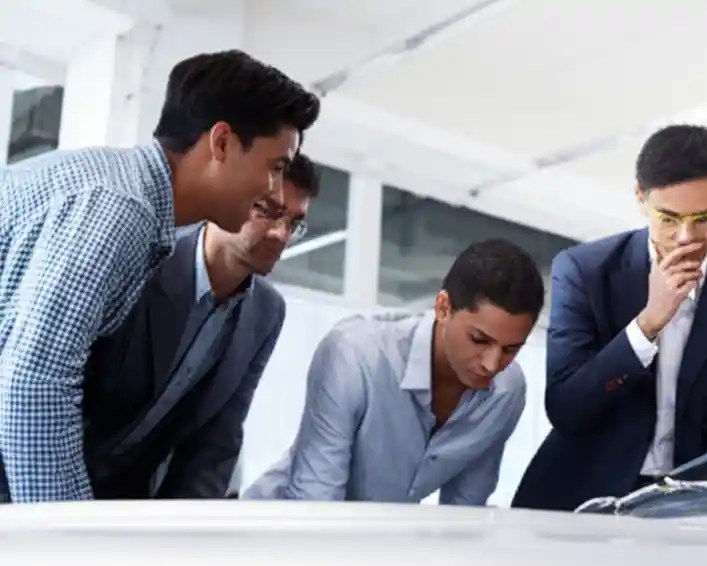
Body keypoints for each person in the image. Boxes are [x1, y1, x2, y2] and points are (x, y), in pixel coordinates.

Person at [0, 49, 319, 503]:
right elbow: (36, 382)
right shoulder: (120, 207)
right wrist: (69, 545)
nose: (269, 191)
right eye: (274, 168)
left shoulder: (138, 209)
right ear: (222, 143)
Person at [513, 125, 707, 511]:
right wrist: (647, 324)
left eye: (704, 218)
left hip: (685, 508)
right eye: (668, 218)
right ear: (640, 197)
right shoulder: (584, 271)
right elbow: (566, 408)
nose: (687, 237)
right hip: (578, 501)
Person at [82, 154, 320, 500]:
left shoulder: (267, 312)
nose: (281, 233)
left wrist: (186, 537)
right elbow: (66, 394)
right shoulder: (148, 256)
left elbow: (216, 442)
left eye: (295, 222)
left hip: (126, 501)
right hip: (34, 474)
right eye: (268, 210)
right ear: (232, 194)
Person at [243, 239, 542, 504]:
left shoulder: (506, 392)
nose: (491, 364)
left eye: (510, 349)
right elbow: (315, 504)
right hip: (275, 535)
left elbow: (465, 514)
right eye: (479, 340)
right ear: (442, 307)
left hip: (376, 548)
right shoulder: (357, 354)